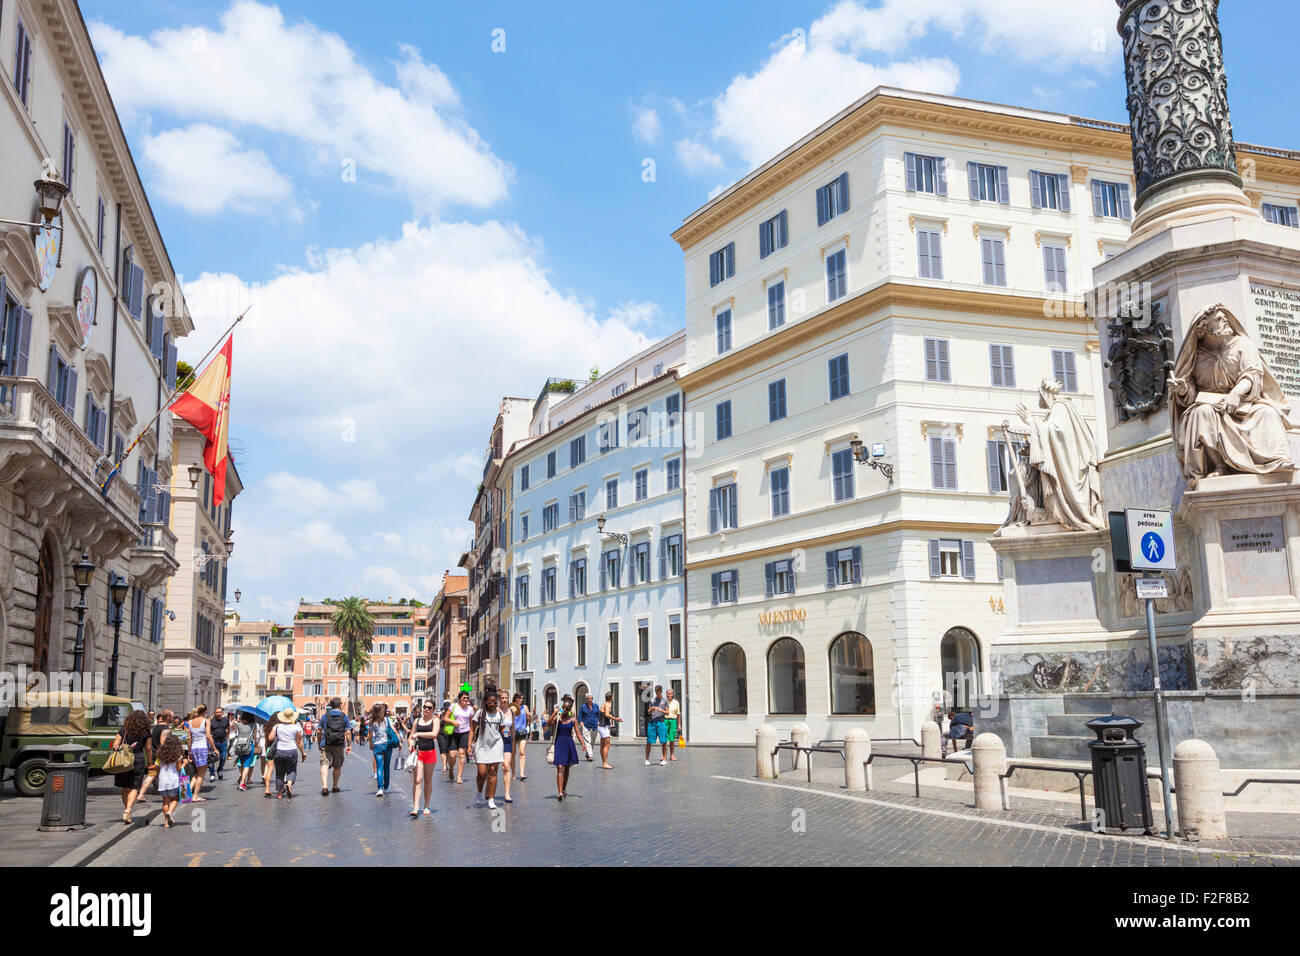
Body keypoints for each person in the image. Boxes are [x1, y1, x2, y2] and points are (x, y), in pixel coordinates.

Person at [110, 708, 153, 824]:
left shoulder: (123, 730)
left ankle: (126, 809)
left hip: (124, 760)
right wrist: (150, 763)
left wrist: (122, 747)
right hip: (138, 759)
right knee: (134, 787)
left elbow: (115, 745)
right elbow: (148, 749)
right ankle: (128, 810)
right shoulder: (146, 732)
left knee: (125, 787)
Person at [470, 691, 507, 809]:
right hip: (481, 745)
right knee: (482, 773)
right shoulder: (480, 713)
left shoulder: (499, 713)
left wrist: (506, 733)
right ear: (485, 702)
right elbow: (472, 728)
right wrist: (469, 744)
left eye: (494, 702)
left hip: (496, 744)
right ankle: (480, 792)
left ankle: (491, 798)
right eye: (490, 702)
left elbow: (502, 728)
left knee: (493, 771)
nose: (492, 704)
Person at [407, 701, 439, 817]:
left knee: (428, 779)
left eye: (429, 707)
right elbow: (411, 736)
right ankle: (415, 807)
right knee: (417, 780)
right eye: (425, 707)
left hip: (430, 752)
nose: (426, 709)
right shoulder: (417, 721)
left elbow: (434, 734)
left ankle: (426, 805)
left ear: (433, 710)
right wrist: (410, 744)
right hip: (419, 753)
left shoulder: (435, 720)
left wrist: (418, 734)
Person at [136, 709, 173, 803]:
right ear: (168, 717)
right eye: (172, 716)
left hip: (154, 754)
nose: (173, 718)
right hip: (161, 756)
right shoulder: (165, 729)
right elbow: (163, 743)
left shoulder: (156, 727)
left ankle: (141, 795)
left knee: (151, 775)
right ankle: (170, 795)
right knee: (168, 775)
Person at [268, 707, 305, 798]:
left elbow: (270, 738)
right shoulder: (296, 727)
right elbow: (299, 742)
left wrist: (278, 736)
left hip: (279, 751)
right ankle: (289, 783)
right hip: (291, 750)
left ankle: (280, 793)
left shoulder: (277, 726)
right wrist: (303, 753)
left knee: (279, 773)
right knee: (292, 770)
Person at [319, 697, 353, 795]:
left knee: (324, 764)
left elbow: (319, 731)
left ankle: (324, 786)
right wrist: (349, 744)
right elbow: (348, 732)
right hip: (339, 744)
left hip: (326, 743)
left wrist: (319, 742)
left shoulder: (325, 716)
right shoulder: (344, 717)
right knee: (337, 766)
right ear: (340, 705)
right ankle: (335, 786)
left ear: (331, 705)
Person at [549, 695, 580, 800]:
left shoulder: (572, 717)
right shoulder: (558, 716)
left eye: (567, 709)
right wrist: (555, 712)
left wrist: (583, 744)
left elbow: (577, 731)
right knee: (560, 767)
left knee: (566, 769)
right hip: (559, 743)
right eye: (564, 708)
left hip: (569, 743)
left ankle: (564, 789)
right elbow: (548, 723)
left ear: (570, 709)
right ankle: (559, 792)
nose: (565, 710)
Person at [185, 705, 217, 801]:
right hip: (203, 748)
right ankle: (195, 795)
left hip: (194, 748)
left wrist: (189, 752)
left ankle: (188, 792)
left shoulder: (190, 722)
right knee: (201, 774)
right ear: (205, 711)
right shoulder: (206, 721)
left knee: (196, 772)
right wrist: (214, 748)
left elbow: (189, 738)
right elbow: (208, 735)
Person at [155, 735, 186, 829]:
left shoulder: (160, 756)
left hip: (162, 781)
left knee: (165, 802)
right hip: (173, 781)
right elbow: (179, 768)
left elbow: (156, 766)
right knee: (175, 799)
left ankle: (166, 822)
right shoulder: (178, 756)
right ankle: (170, 812)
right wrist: (185, 763)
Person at [368, 703, 396, 797]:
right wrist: (399, 741)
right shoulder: (387, 719)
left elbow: (371, 734)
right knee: (386, 766)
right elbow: (393, 730)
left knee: (379, 767)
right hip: (387, 744)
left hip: (377, 745)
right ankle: (386, 787)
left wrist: (370, 744)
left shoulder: (372, 721)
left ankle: (380, 788)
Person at [450, 690, 475, 785]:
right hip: (453, 732)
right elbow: (445, 717)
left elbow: (472, 724)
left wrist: (471, 738)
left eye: (467, 698)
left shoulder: (470, 709)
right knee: (452, 755)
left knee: (461, 754)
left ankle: (459, 776)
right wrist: (453, 722)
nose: (466, 700)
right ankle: (451, 769)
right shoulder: (453, 706)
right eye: (464, 698)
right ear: (459, 699)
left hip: (465, 732)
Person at [231, 712, 258, 791]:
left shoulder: (239, 725)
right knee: (247, 765)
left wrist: (234, 720)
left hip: (240, 746)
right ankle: (242, 783)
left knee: (242, 764)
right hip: (249, 746)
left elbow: (232, 727)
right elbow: (255, 737)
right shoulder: (253, 725)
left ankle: (242, 779)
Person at [644, 685, 669, 767]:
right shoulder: (652, 700)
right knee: (649, 741)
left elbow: (667, 712)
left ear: (661, 691)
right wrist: (651, 709)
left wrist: (660, 710)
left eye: (658, 692)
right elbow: (648, 712)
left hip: (661, 722)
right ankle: (647, 759)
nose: (657, 693)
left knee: (664, 741)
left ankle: (664, 759)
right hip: (652, 722)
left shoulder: (665, 701)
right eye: (656, 692)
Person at [598, 691, 623, 769]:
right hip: (604, 727)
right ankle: (605, 763)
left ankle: (604, 762)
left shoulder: (604, 704)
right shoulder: (608, 704)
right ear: (611, 697)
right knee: (607, 745)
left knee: (602, 745)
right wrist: (617, 719)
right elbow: (607, 714)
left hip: (601, 726)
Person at [498, 695, 515, 804]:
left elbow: (513, 728)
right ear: (499, 699)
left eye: (506, 698)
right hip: (496, 740)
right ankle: (489, 790)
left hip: (507, 740)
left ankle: (507, 793)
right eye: (502, 698)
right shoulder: (496, 711)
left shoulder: (511, 712)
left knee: (506, 766)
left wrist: (513, 742)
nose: (504, 700)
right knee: (492, 768)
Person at [511, 693, 530, 781]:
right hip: (513, 732)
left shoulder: (525, 707)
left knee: (522, 752)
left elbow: (528, 717)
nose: (521, 699)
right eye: (520, 698)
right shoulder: (511, 707)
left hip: (523, 732)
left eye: (522, 698)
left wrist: (528, 723)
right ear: (515, 698)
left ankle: (522, 773)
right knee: (513, 754)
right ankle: (514, 772)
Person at [209, 706, 231, 780]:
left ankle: (220, 769)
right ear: (214, 713)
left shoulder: (226, 720)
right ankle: (212, 773)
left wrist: (227, 737)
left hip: (223, 742)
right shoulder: (211, 721)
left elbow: (229, 729)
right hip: (213, 742)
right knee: (211, 759)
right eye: (217, 712)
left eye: (220, 712)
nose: (218, 714)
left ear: (222, 713)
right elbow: (208, 732)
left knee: (223, 758)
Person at [260, 713, 279, 797]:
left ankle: (267, 789)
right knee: (280, 769)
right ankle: (280, 789)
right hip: (278, 748)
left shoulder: (267, 727)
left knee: (269, 769)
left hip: (269, 748)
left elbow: (267, 740)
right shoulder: (279, 727)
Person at [438, 698, 456, 783]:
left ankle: (449, 765)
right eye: (445, 708)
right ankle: (444, 766)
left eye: (447, 708)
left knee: (449, 751)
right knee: (443, 749)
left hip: (449, 734)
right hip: (441, 733)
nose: (446, 710)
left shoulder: (452, 715)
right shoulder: (440, 715)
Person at [578, 693, 600, 763]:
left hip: (594, 726)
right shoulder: (583, 707)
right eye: (589, 698)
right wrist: (582, 725)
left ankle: (588, 754)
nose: (590, 700)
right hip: (586, 726)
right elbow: (580, 717)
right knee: (588, 741)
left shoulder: (596, 706)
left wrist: (598, 722)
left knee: (592, 742)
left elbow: (599, 716)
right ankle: (590, 755)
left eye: (591, 698)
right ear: (586, 699)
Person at [665, 688, 681, 761]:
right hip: (664, 721)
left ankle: (671, 755)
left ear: (672, 694)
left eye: (669, 693)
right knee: (664, 739)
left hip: (673, 721)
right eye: (667, 693)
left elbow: (678, 714)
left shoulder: (676, 702)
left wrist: (679, 725)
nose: (668, 695)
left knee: (672, 740)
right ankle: (663, 755)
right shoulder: (664, 702)